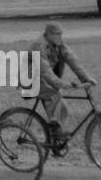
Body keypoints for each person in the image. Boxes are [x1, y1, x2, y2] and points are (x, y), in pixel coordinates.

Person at [30, 21, 95, 152]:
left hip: (45, 80)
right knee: (54, 95)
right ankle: (54, 132)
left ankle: (55, 140)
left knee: (63, 109)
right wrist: (63, 84)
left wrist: (86, 78)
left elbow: (72, 60)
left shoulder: (58, 44)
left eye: (61, 34)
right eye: (57, 34)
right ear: (48, 34)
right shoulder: (39, 46)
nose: (60, 37)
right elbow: (45, 71)